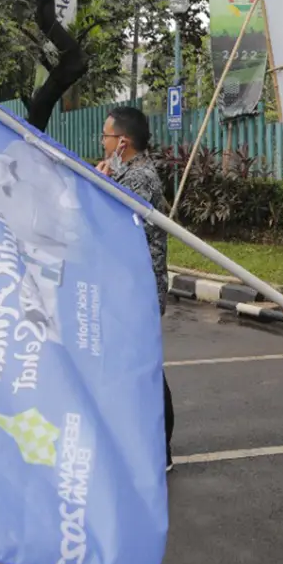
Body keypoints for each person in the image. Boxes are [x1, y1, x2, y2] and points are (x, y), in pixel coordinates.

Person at [95, 106, 175, 473]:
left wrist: (100, 187)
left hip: (138, 289)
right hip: (126, 287)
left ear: (122, 142)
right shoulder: (125, 172)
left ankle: (160, 450)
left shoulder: (140, 178)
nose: (102, 141)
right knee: (133, 367)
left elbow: (115, 229)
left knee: (143, 369)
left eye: (106, 136)